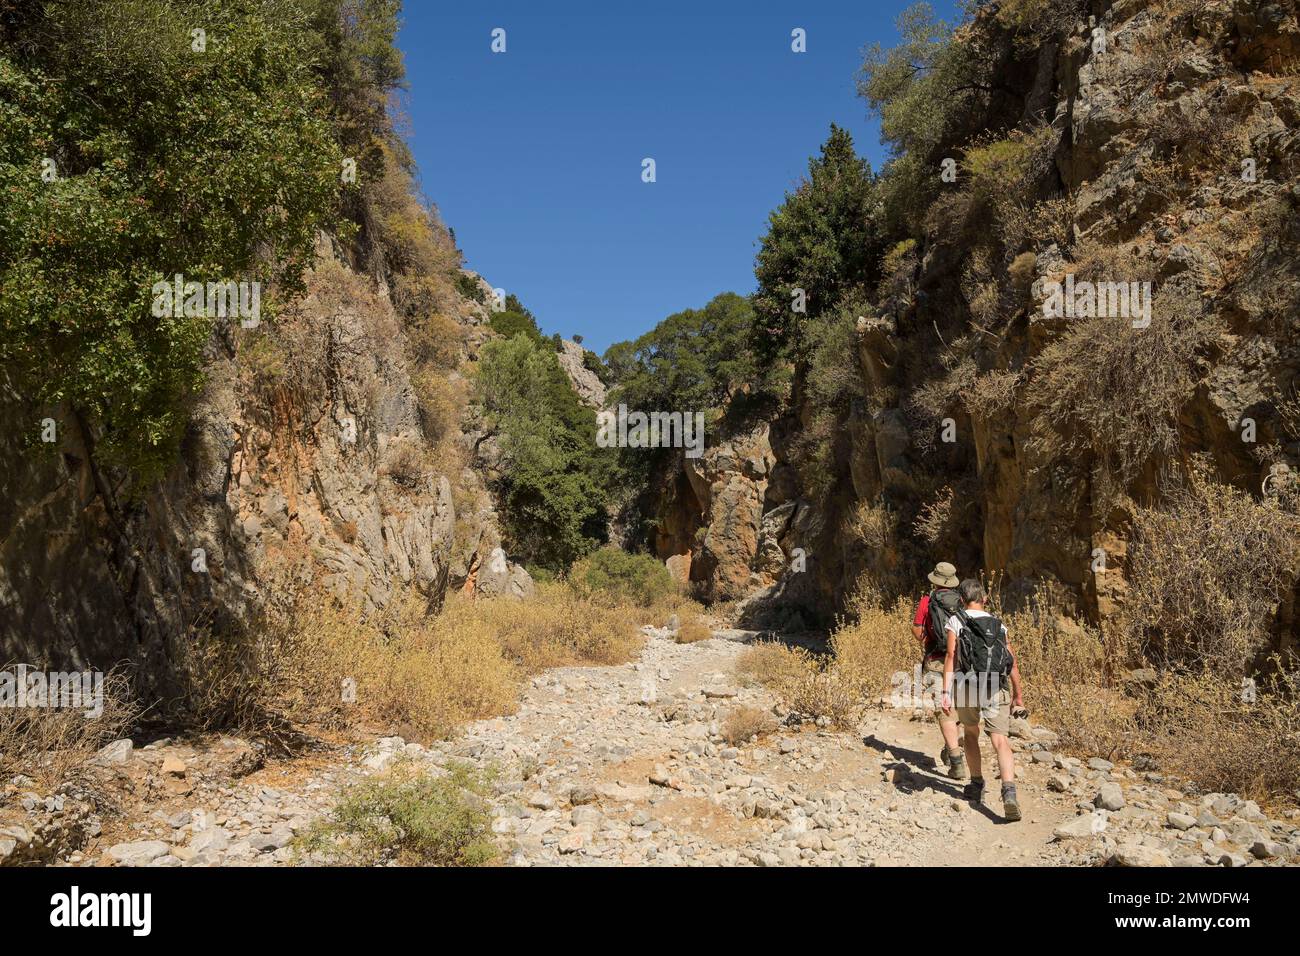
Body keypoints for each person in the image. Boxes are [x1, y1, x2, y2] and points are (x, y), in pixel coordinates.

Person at [940, 578, 1026, 822]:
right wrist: (1018, 694)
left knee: (970, 733)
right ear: (984, 599)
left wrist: (946, 692)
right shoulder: (999, 625)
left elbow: (951, 656)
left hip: (967, 686)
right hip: (996, 687)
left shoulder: (955, 620)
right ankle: (1009, 791)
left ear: (961, 599)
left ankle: (976, 784)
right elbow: (1011, 661)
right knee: (1001, 741)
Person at [912, 561, 966, 780]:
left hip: (936, 660)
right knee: (957, 706)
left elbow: (917, 631)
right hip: (961, 662)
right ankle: (954, 741)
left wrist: (928, 638)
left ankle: (955, 760)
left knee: (942, 709)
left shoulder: (927, 601)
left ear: (934, 580)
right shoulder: (963, 602)